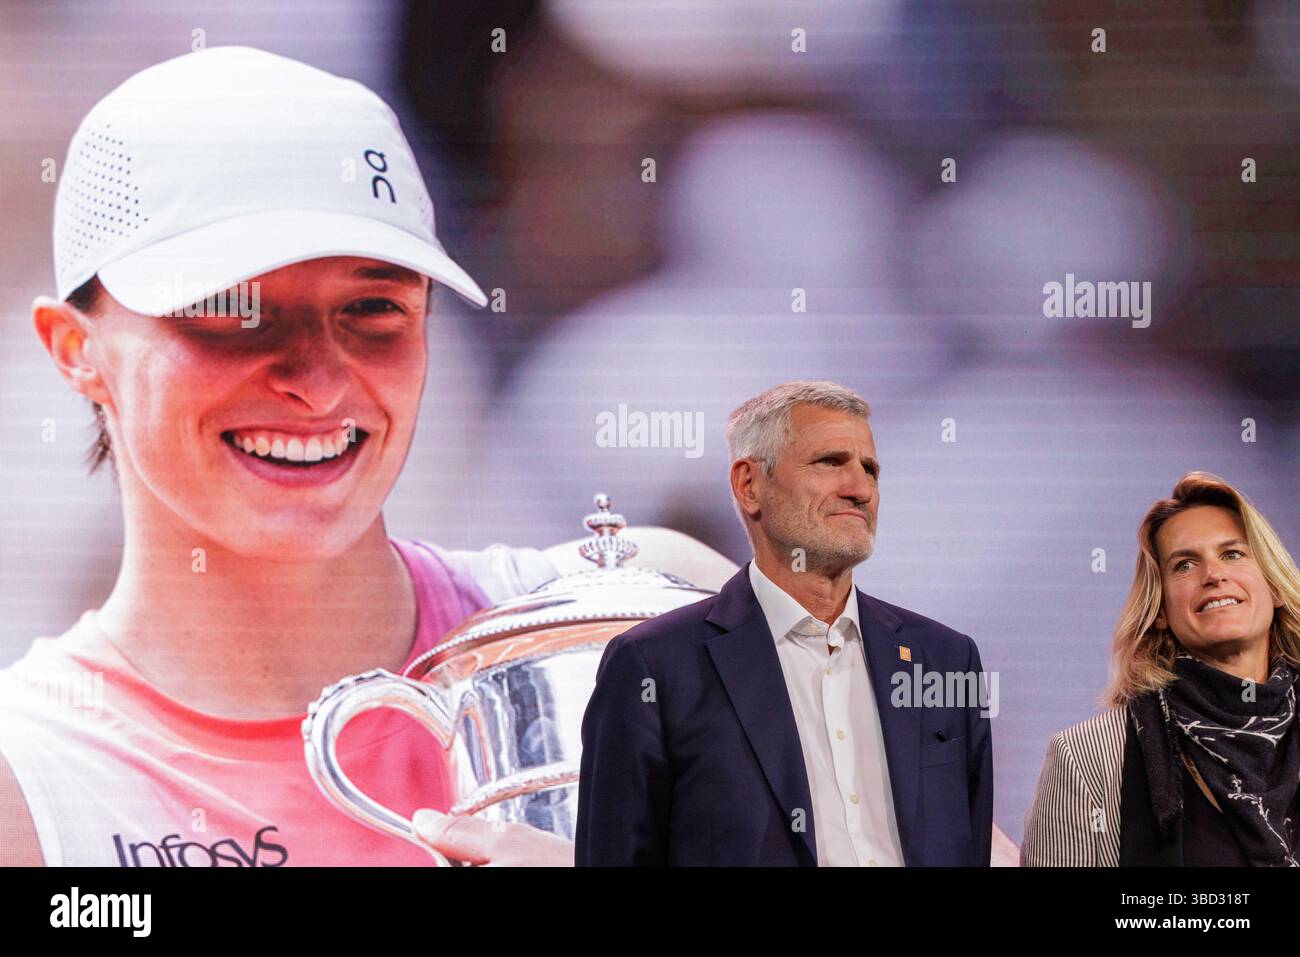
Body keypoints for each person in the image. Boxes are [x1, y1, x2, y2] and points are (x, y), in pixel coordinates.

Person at [0, 46, 735, 867]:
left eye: (372, 307)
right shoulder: (26, 783)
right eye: (232, 312)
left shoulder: (641, 621)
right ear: (75, 349)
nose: (317, 382)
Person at [575, 381, 995, 865]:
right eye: (831, 462)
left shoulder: (944, 658)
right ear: (750, 485)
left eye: (870, 470)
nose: (860, 489)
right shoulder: (655, 665)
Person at [1021, 471, 1300, 866]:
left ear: (1273, 586)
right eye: (1185, 565)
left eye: (1233, 554)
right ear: (1160, 610)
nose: (1214, 575)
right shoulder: (1089, 757)